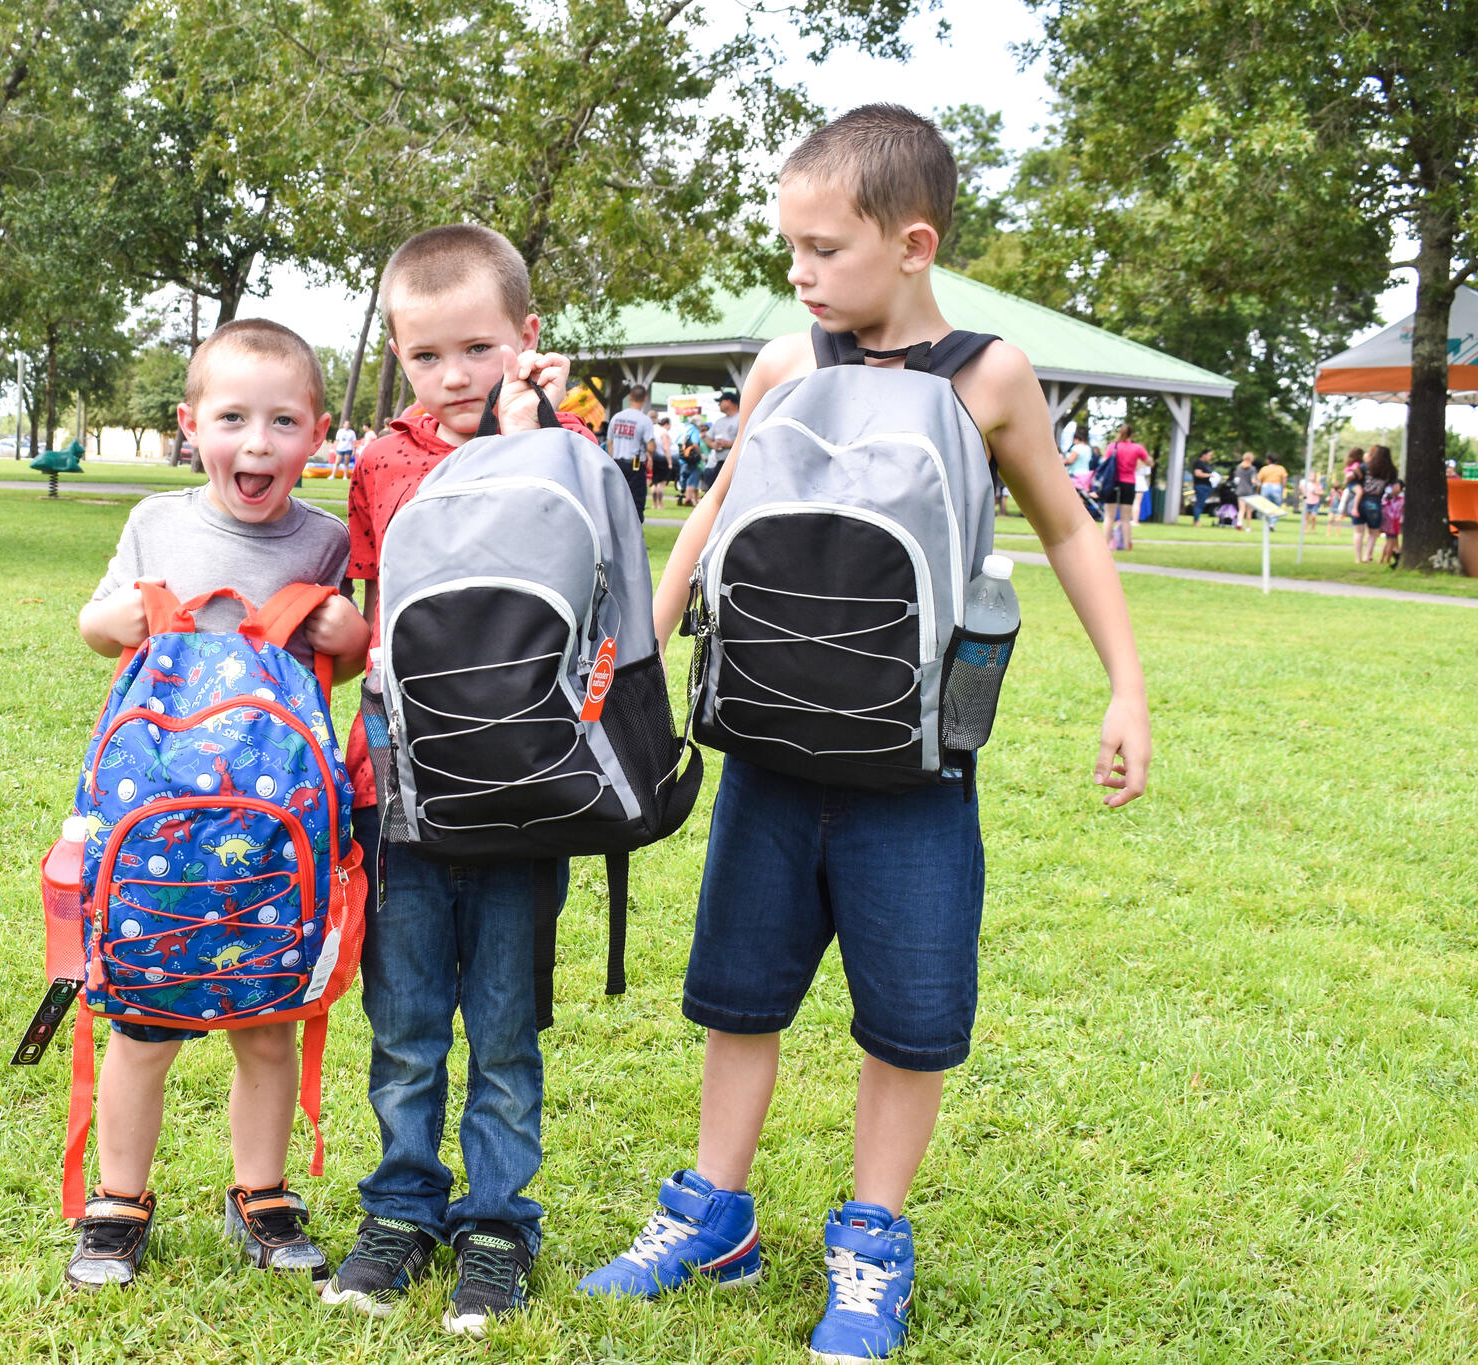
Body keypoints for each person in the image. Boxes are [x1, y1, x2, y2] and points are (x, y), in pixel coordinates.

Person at [576, 105, 1151, 1364]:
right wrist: (639, 654)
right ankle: (713, 1215)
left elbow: (1063, 528)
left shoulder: (987, 376)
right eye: (789, 247)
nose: (798, 272)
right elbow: (715, 512)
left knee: (907, 1016)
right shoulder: (787, 365)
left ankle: (872, 1238)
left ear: (910, 242)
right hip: (767, 756)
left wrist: (1126, 685)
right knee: (738, 997)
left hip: (913, 770)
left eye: (821, 248)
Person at [324, 223, 596, 1334]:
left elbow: (596, 557)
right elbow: (367, 598)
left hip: (524, 786)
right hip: (399, 784)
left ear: (525, 341)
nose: (452, 377)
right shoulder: (383, 463)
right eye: (427, 355)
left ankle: (496, 1223)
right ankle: (399, 1205)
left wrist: (538, 427)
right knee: (404, 1021)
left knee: (503, 1020)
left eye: (477, 350)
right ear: (398, 353)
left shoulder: (563, 445)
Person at [66, 319, 371, 1293]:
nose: (256, 443)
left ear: (316, 434)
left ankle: (261, 1191)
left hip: (274, 834)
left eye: (282, 422)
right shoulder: (160, 523)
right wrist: (117, 616)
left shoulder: (322, 543)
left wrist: (348, 630)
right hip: (160, 826)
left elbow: (349, 659)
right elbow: (95, 621)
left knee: (266, 1022)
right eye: (232, 418)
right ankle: (117, 1201)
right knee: (142, 1023)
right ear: (189, 424)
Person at [607, 384, 658, 521]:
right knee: (636, 504)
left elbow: (610, 442)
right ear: (645, 399)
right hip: (635, 465)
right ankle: (634, 537)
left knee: (615, 501)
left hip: (617, 463)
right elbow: (651, 447)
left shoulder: (616, 417)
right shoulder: (644, 420)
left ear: (629, 397)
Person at [1101, 423, 1147, 550]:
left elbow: (1104, 462)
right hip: (1129, 483)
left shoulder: (1112, 446)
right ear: (1131, 435)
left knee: (1109, 516)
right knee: (1126, 518)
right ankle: (1126, 545)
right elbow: (1149, 461)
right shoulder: (1137, 448)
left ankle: (1105, 545)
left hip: (1112, 482)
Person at [1353, 444, 1395, 563]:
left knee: (1358, 531)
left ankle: (1358, 558)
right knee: (1373, 532)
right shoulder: (1389, 470)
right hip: (1375, 502)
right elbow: (1392, 486)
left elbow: (1354, 477)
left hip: (1361, 500)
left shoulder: (1366, 466)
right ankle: (1367, 556)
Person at [704, 388, 740, 487]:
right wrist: (712, 444)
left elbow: (746, 439)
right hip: (719, 463)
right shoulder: (719, 421)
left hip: (736, 464)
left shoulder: (741, 418)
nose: (718, 404)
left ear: (729, 401)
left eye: (720, 401)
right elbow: (707, 438)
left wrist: (727, 444)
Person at [1256, 455, 1287, 529]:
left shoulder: (1264, 469)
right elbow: (1284, 480)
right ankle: (1272, 523)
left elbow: (1259, 481)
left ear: (1268, 460)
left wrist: (1257, 490)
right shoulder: (1281, 468)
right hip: (1277, 487)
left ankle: (1268, 522)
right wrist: (1283, 488)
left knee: (1266, 506)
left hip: (1266, 487)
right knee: (1276, 506)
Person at [1380, 478, 1404, 567]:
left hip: (1388, 521)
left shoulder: (1386, 497)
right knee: (1391, 541)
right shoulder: (1399, 499)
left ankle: (1382, 559)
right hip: (1393, 523)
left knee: (1388, 541)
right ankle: (1388, 560)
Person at [1232, 452, 1259, 532]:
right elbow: (1253, 481)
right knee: (1248, 510)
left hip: (1240, 490)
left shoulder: (1238, 468)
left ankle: (1239, 523)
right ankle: (1248, 527)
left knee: (1241, 509)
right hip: (1248, 491)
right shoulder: (1252, 469)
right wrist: (1257, 484)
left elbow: (1236, 480)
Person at [1190, 449, 1216, 524]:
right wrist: (1210, 475)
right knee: (1199, 503)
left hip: (1206, 486)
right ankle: (1196, 521)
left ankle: (1197, 520)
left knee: (1201, 503)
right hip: (1201, 486)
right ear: (1203, 455)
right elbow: (1197, 474)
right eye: (1209, 455)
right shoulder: (1199, 463)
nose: (1210, 457)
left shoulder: (1205, 464)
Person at [1298, 467, 1323, 533]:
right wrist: (1300, 490)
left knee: (1313, 517)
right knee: (1306, 517)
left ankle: (1313, 529)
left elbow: (1321, 492)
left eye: (1313, 476)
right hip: (1307, 502)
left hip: (1315, 502)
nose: (1312, 477)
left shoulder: (1317, 484)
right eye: (1311, 475)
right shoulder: (1305, 484)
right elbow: (1302, 493)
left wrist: (1315, 492)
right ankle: (1305, 529)